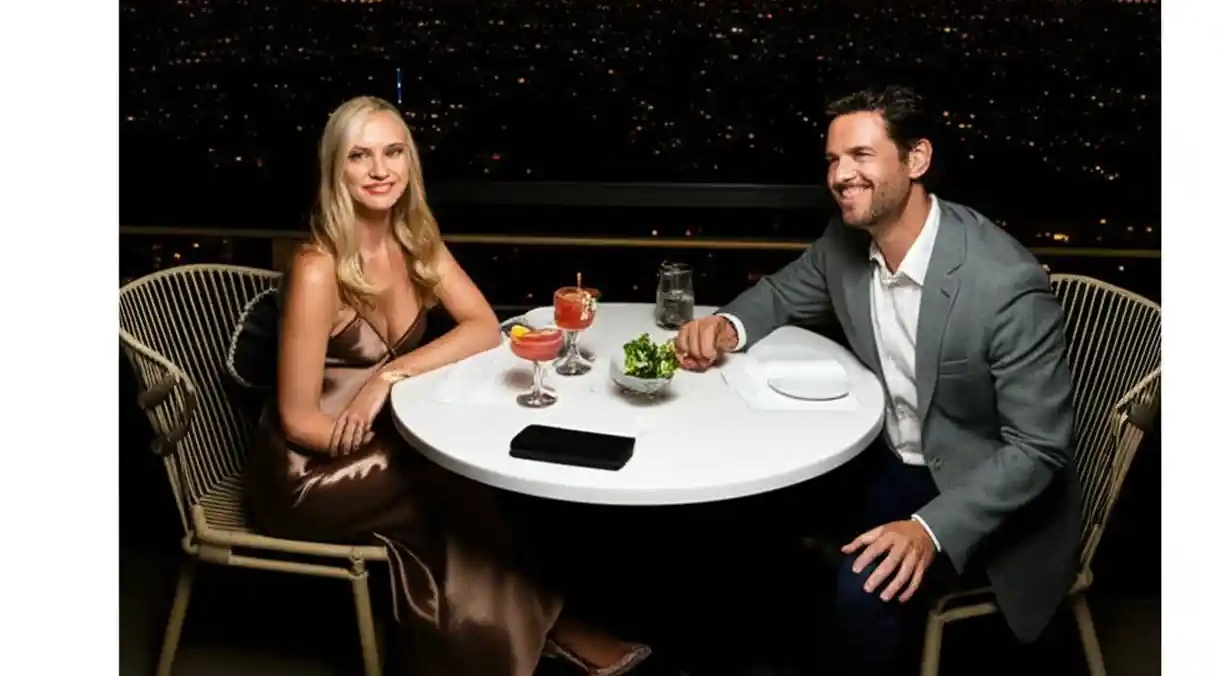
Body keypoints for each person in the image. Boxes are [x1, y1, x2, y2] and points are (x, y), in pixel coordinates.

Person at [674, 85, 1081, 672]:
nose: (841, 176)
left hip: (977, 488)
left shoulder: (1003, 283)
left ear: (916, 160)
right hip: (887, 459)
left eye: (862, 156)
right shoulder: (846, 242)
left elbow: (1040, 450)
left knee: (862, 590)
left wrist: (927, 530)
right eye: (833, 161)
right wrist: (725, 326)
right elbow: (781, 294)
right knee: (742, 518)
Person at [248, 95, 652, 676]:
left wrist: (389, 376)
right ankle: (549, 629)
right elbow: (297, 421)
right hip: (306, 477)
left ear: (410, 163)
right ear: (336, 169)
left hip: (383, 445)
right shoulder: (318, 268)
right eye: (360, 156)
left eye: (393, 152)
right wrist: (379, 435)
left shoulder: (416, 244)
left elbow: (485, 327)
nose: (380, 169)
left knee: (461, 472)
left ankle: (518, 637)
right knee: (448, 477)